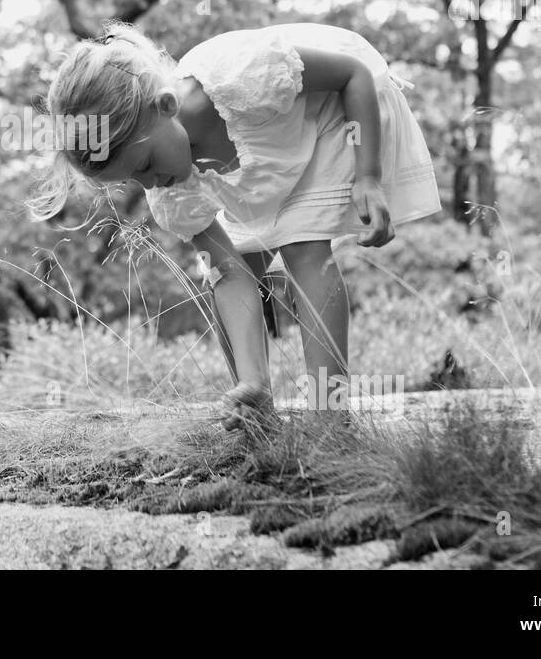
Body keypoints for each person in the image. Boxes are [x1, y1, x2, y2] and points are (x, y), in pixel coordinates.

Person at [27, 21, 442, 431]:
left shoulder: (246, 77)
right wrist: (254, 379)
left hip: (342, 113)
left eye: (147, 165)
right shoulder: (171, 189)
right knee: (235, 265)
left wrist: (367, 175)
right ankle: (255, 399)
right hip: (269, 162)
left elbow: (353, 75)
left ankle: (329, 417)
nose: (150, 184)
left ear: (166, 107)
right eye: (133, 180)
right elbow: (227, 274)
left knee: (303, 250)